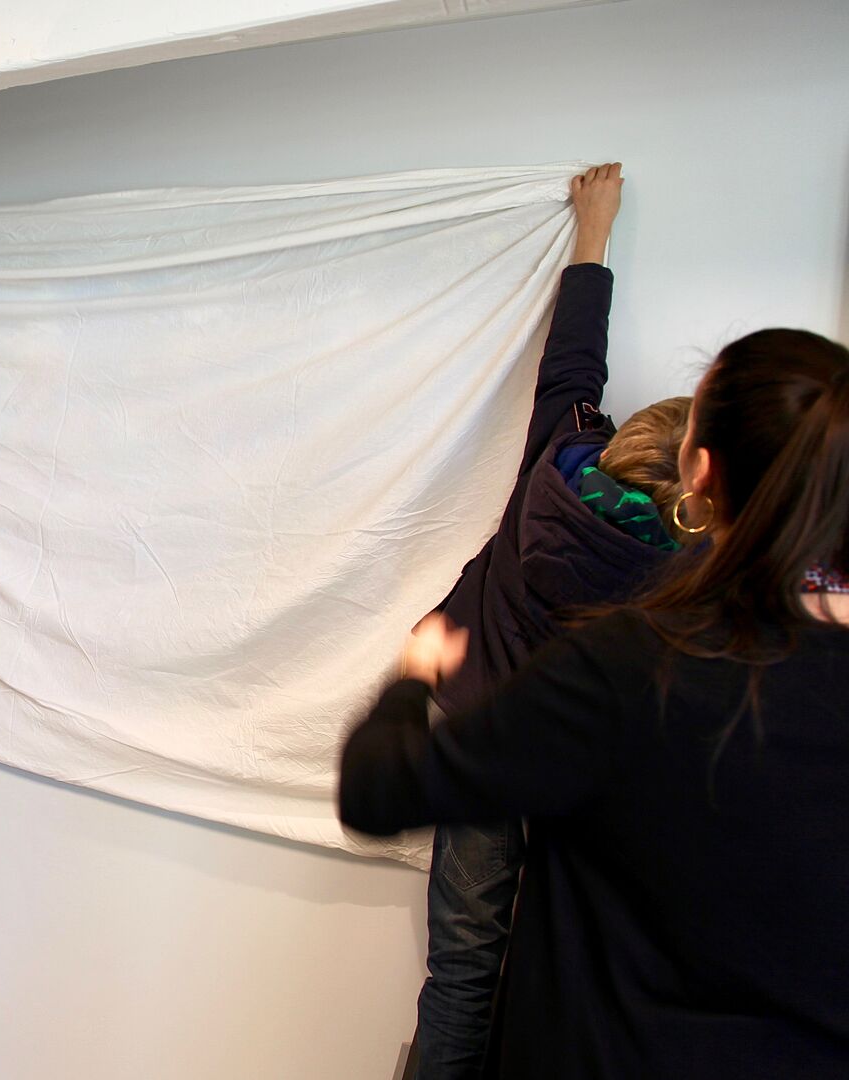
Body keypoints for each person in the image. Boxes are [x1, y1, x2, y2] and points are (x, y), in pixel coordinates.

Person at [340, 327, 849, 1077]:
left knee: (460, 976)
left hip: (600, 1051)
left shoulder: (633, 660)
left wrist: (416, 678)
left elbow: (377, 786)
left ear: (701, 474)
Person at [405, 164, 695, 1077]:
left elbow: (574, 353)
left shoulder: (557, 452)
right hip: (580, 770)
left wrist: (592, 231)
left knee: (460, 970)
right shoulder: (684, 575)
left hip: (480, 730)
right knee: (563, 971)